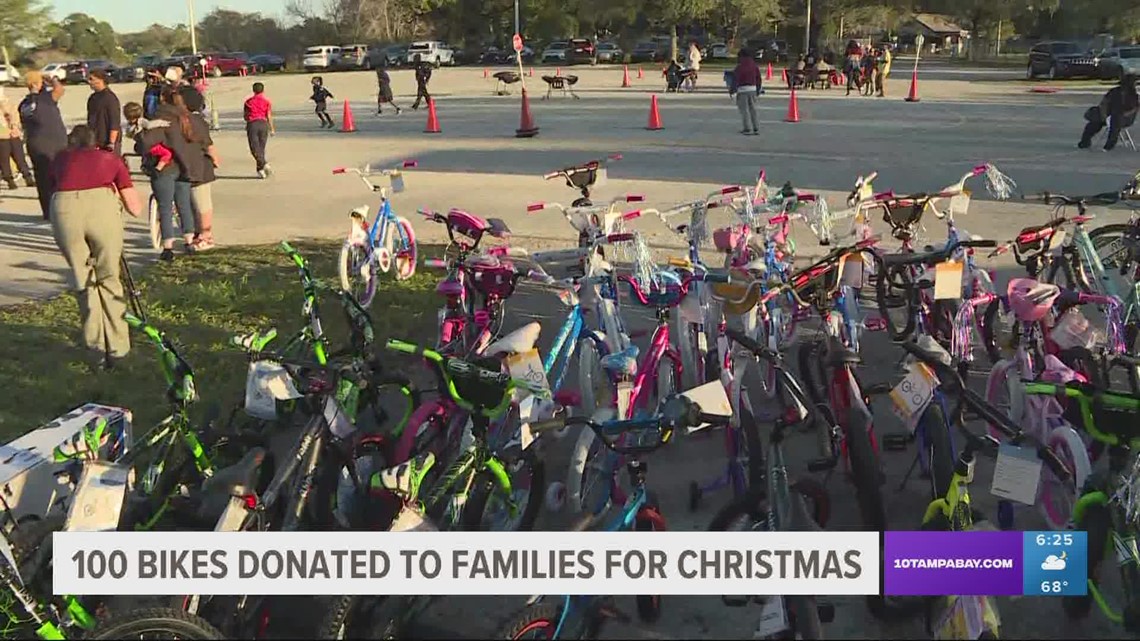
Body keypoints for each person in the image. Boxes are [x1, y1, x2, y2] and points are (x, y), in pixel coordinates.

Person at [49, 124, 142, 370]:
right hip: (101, 206)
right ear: (94, 142)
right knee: (109, 278)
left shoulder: (59, 159)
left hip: (65, 208)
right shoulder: (109, 159)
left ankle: (95, 351)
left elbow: (54, 183)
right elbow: (135, 207)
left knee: (83, 281)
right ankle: (119, 348)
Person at [18, 71, 67, 220]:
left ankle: (47, 210)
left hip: (35, 143)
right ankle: (60, 210)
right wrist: (53, 78)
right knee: (58, 177)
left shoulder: (24, 104)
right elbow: (60, 90)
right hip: (53, 143)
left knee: (42, 178)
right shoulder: (45, 99)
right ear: (35, 84)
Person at [180, 89, 219, 251]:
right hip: (188, 166)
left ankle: (206, 236)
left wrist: (215, 158)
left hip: (201, 167)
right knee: (192, 203)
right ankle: (198, 233)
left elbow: (208, 144)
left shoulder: (196, 121)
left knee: (202, 202)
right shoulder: (183, 120)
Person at [1079, 75, 1140, 151]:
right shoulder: (1114, 92)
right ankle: (1085, 142)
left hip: (1125, 118)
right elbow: (1104, 103)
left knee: (1116, 121)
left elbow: (1134, 109)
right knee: (1094, 123)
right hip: (1109, 115)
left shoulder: (1133, 95)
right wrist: (1103, 115)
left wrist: (1124, 114)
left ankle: (1109, 145)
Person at [0, 92, 34, 190]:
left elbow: (15, 115)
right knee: (4, 159)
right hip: (2, 136)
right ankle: (9, 180)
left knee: (19, 157)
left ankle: (27, 177)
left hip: (13, 134)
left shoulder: (9, 104)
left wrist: (14, 126)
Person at [86, 69, 122, 156]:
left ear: (100, 80)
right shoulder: (92, 98)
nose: (89, 82)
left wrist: (111, 143)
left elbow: (114, 121)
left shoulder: (110, 98)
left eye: (91, 79)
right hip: (95, 141)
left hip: (108, 142)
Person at [243, 82, 274, 178]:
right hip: (263, 124)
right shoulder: (266, 102)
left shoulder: (248, 102)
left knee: (254, 148)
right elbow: (269, 115)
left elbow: (245, 115)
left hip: (253, 124)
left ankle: (264, 164)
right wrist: (272, 128)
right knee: (261, 148)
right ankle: (260, 170)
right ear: (263, 90)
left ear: (253, 90)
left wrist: (248, 121)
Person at [730, 48, 761, 136]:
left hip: (742, 90)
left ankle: (747, 128)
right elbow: (758, 78)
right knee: (753, 109)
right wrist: (758, 89)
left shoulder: (740, 66)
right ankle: (756, 127)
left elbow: (735, 79)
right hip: (753, 89)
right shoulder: (754, 65)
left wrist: (732, 90)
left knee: (744, 110)